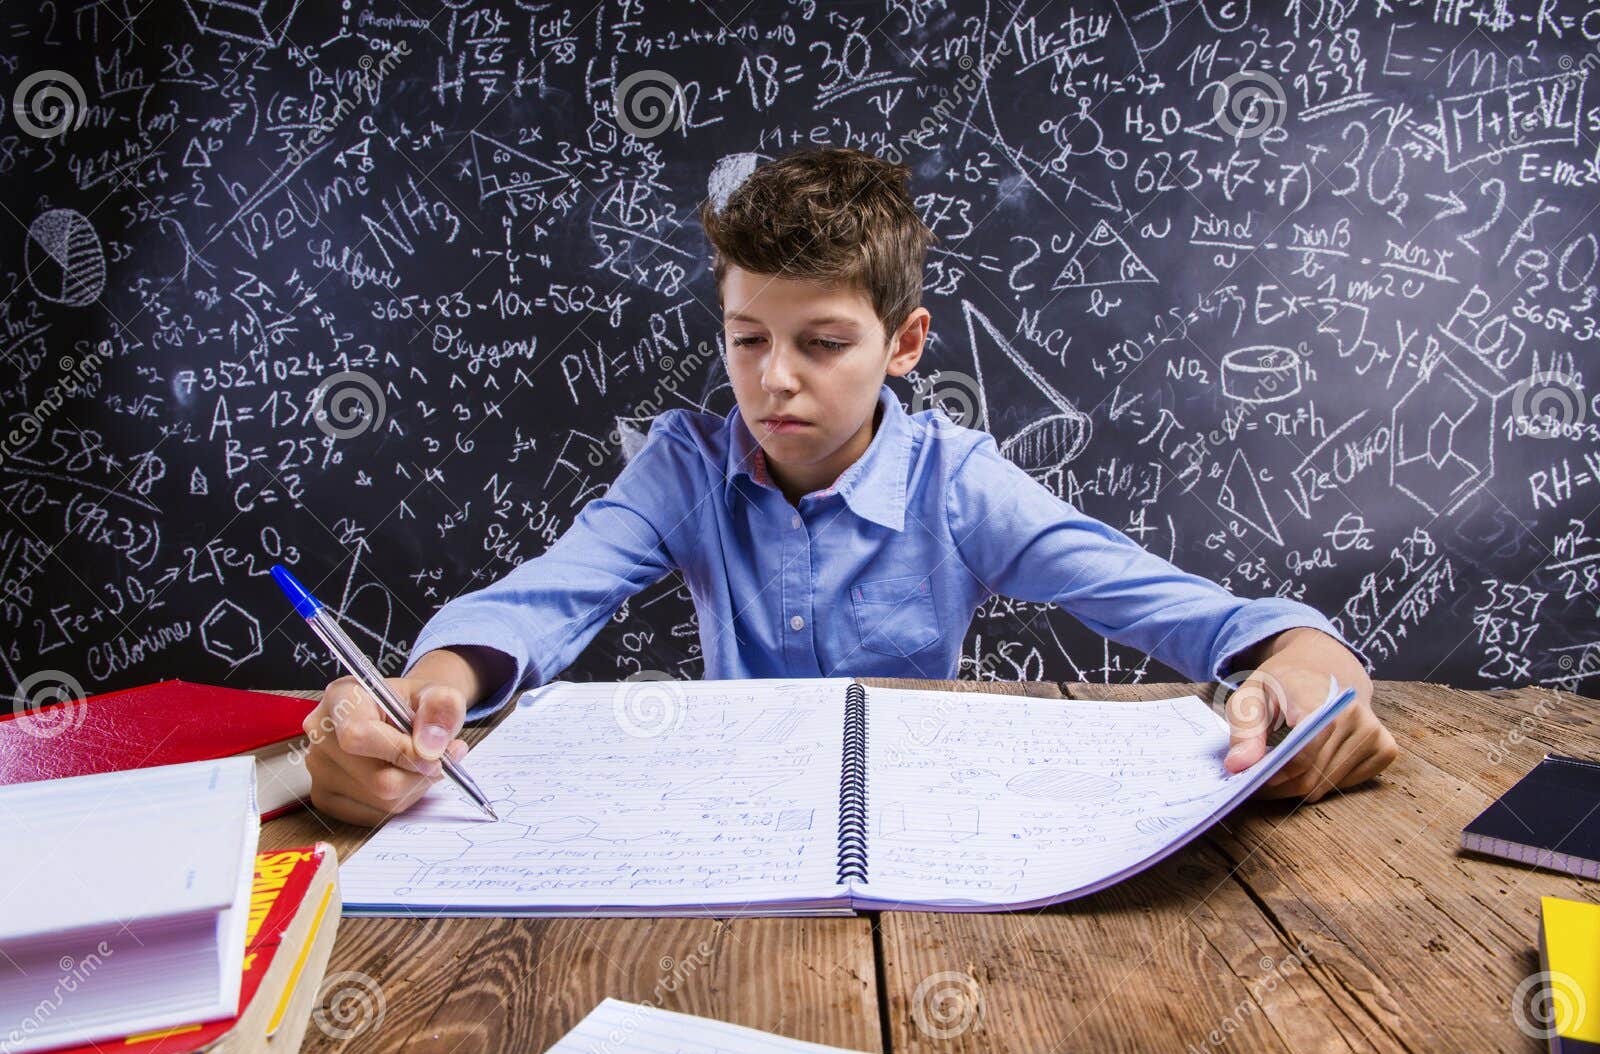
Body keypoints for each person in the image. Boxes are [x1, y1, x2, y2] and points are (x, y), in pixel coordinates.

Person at [302, 146, 1397, 826]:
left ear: (904, 342)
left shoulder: (957, 484)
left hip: (927, 832)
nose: (773, 381)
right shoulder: (685, 465)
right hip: (730, 833)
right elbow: (550, 593)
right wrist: (429, 686)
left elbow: (1171, 605)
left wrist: (1307, 660)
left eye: (821, 342)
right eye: (746, 339)